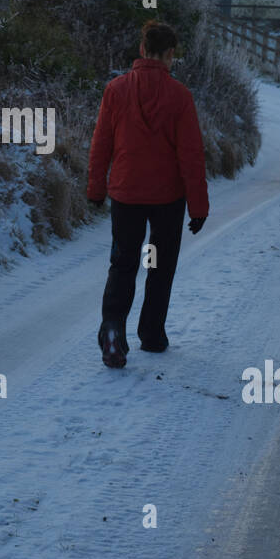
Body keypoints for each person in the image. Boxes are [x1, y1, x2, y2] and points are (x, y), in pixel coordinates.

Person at [86, 20, 209, 368]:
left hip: (125, 193)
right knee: (160, 264)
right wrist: (198, 206)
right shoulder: (180, 96)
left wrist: (96, 188)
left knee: (123, 263)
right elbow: (191, 155)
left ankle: (112, 329)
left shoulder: (116, 90)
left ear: (142, 49)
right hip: (167, 198)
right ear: (170, 54)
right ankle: (152, 334)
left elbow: (101, 145)